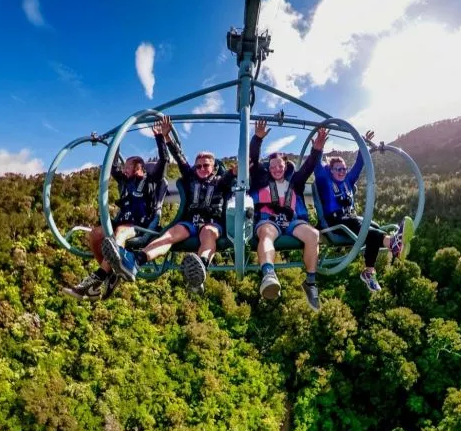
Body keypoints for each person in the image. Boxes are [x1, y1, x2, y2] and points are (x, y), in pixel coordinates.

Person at [103, 116, 236, 293]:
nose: (201, 169)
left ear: (213, 167)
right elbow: (179, 158)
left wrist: (237, 170)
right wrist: (166, 137)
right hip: (190, 222)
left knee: (208, 234)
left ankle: (201, 266)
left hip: (212, 222)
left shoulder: (220, 182)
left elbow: (232, 176)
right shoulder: (190, 177)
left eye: (206, 166)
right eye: (198, 166)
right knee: (169, 235)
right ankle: (136, 260)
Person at [63, 117, 170, 301]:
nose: (125, 170)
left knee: (119, 232)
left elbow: (164, 161)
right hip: (121, 222)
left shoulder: (151, 181)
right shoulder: (124, 182)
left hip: (140, 226)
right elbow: (112, 166)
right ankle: (109, 275)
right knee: (96, 233)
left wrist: (161, 138)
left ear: (140, 168)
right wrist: (116, 142)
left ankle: (95, 281)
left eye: (129, 167)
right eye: (125, 167)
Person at [313, 130, 414, 293]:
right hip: (335, 222)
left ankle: (370, 270)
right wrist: (318, 149)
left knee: (373, 226)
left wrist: (363, 144)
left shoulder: (347, 180)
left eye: (343, 169)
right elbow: (317, 167)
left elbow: (359, 164)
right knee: (363, 225)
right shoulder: (325, 181)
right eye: (338, 169)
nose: (341, 172)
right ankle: (392, 243)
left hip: (349, 219)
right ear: (330, 170)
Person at [249, 119, 328, 311]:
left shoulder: (295, 182)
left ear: (286, 167)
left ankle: (310, 282)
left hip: (292, 222)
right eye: (273, 166)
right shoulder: (261, 180)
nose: (277, 169)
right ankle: (268, 273)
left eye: (280, 166)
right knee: (266, 233)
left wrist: (317, 149)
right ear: (269, 168)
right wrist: (257, 139)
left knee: (313, 235)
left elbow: (309, 166)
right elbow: (253, 156)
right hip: (269, 220)